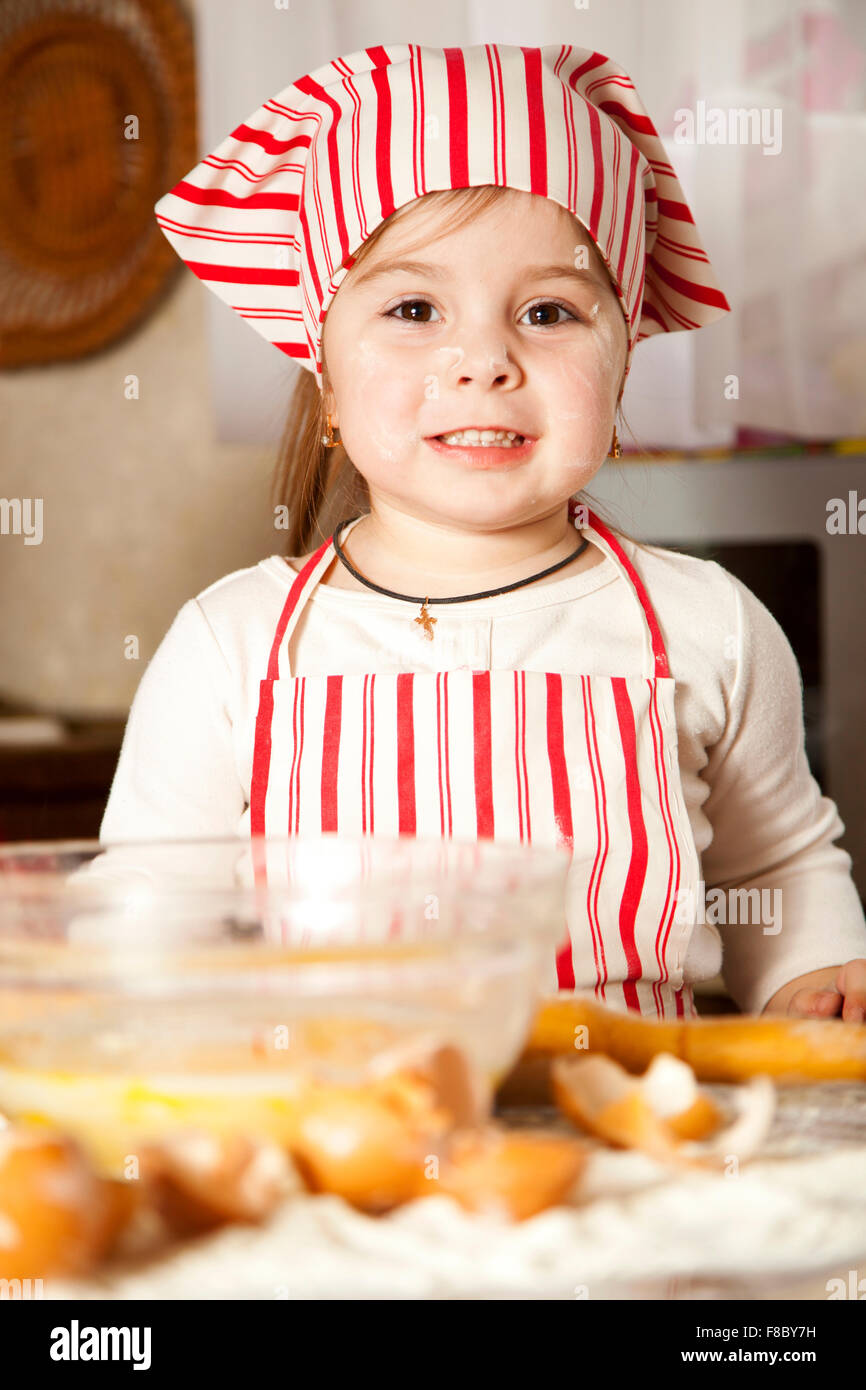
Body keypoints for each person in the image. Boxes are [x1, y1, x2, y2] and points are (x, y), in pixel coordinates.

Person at [102, 43, 866, 1020]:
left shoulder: (708, 625)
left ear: (621, 360)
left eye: (547, 310)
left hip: (641, 1142)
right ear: (325, 377)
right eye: (413, 308)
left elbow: (781, 867)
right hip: (345, 1149)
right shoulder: (233, 646)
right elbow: (144, 925)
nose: (482, 361)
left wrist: (815, 977)